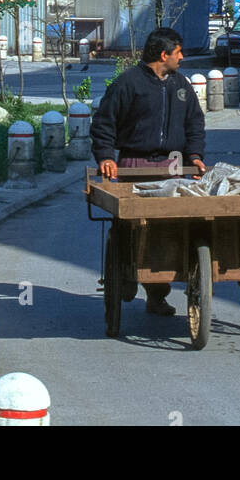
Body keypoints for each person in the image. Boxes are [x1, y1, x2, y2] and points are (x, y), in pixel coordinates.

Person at [90, 27, 206, 316]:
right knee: (132, 227)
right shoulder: (127, 83)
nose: (182, 57)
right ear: (163, 54)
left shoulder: (182, 85)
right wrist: (106, 156)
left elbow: (195, 123)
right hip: (134, 167)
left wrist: (195, 155)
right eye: (178, 51)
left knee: (171, 230)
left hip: (174, 167)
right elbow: (104, 123)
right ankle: (125, 275)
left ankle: (157, 294)